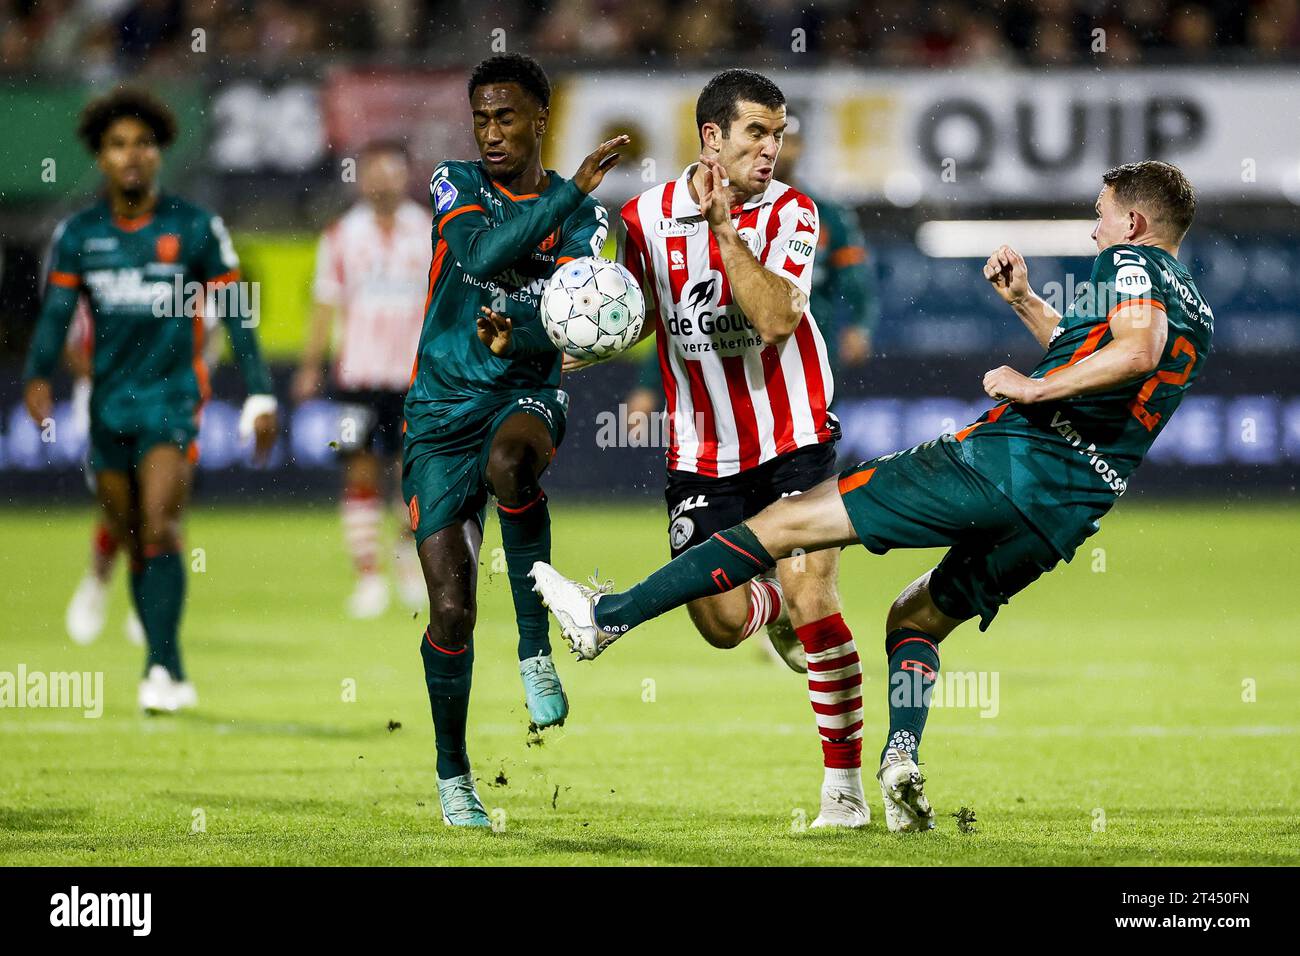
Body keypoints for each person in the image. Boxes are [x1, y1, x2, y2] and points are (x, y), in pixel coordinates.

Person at [533, 161, 1209, 832]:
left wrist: (1031, 390)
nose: (1095, 229)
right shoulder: (1195, 307)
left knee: (787, 524)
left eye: (1101, 214)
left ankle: (608, 617)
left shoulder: (1130, 263)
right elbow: (1093, 355)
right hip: (1069, 508)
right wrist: (1026, 301)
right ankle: (900, 761)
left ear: (1135, 222)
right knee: (915, 620)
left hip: (1007, 463)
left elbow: (1135, 351)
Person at [612, 69, 867, 828]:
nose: (772, 149)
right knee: (722, 626)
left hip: (795, 439)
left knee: (815, 593)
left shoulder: (793, 211)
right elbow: (620, 317)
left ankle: (845, 795)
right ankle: (774, 606)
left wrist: (724, 234)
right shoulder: (642, 219)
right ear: (712, 138)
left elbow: (776, 320)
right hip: (702, 451)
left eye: (780, 134)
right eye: (757, 132)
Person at [401, 53, 624, 826]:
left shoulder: (594, 221)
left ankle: (536, 649)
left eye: (507, 117)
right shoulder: (455, 182)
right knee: (452, 610)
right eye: (482, 119)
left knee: (511, 463)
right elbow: (477, 257)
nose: (492, 133)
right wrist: (567, 189)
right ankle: (453, 774)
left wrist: (520, 329)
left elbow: (593, 322)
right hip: (437, 413)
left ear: (541, 120)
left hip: (525, 390)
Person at [22, 87, 278, 714]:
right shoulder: (80, 233)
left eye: (143, 143)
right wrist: (35, 376)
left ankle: (164, 668)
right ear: (100, 157)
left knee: (160, 523)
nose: (131, 155)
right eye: (117, 145)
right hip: (107, 405)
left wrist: (261, 393)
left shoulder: (193, 227)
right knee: (129, 530)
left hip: (172, 397)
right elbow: (56, 314)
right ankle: (150, 632)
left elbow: (236, 314)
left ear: (159, 153)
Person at [293, 140, 431, 619]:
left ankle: (408, 559)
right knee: (360, 470)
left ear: (407, 177)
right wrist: (311, 365)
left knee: (416, 475)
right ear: (361, 178)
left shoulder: (430, 230)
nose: (383, 181)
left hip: (416, 378)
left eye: (392, 172)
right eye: (374, 172)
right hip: (357, 376)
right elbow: (324, 304)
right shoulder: (340, 235)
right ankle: (369, 576)